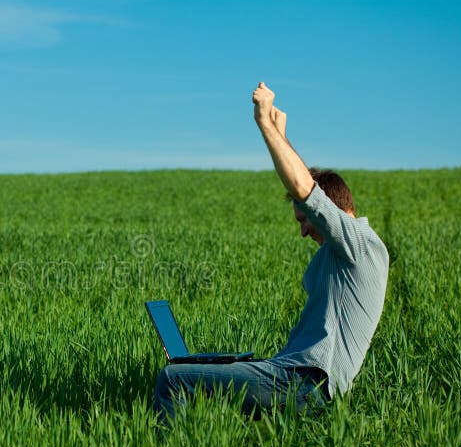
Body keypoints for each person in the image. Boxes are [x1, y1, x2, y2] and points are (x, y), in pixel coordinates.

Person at [153, 82, 389, 423]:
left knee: (174, 380)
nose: (304, 230)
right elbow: (306, 184)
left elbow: (305, 189)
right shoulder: (338, 252)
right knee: (195, 370)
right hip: (290, 375)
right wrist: (281, 134)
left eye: (305, 220)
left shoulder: (362, 246)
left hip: (304, 385)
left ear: (329, 210)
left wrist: (264, 122)